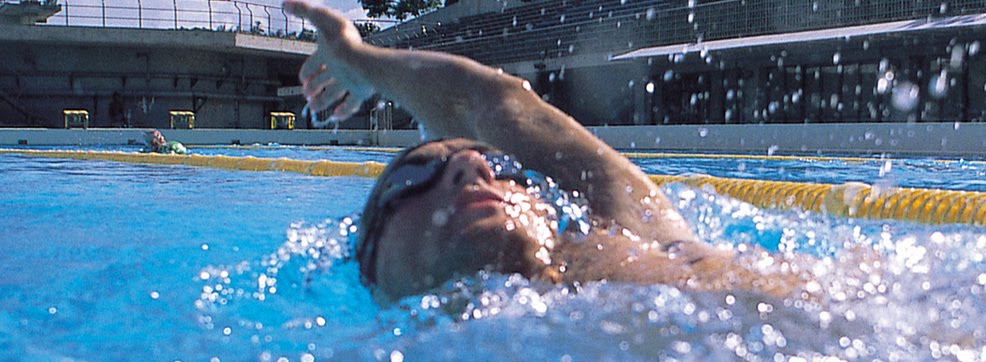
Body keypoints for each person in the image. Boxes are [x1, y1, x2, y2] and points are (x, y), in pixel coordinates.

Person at [283, 0, 808, 300]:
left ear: (548, 209)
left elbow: (491, 103)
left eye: (506, 169)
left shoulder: (640, 249)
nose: (474, 165)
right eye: (416, 173)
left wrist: (361, 61)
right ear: (370, 260)